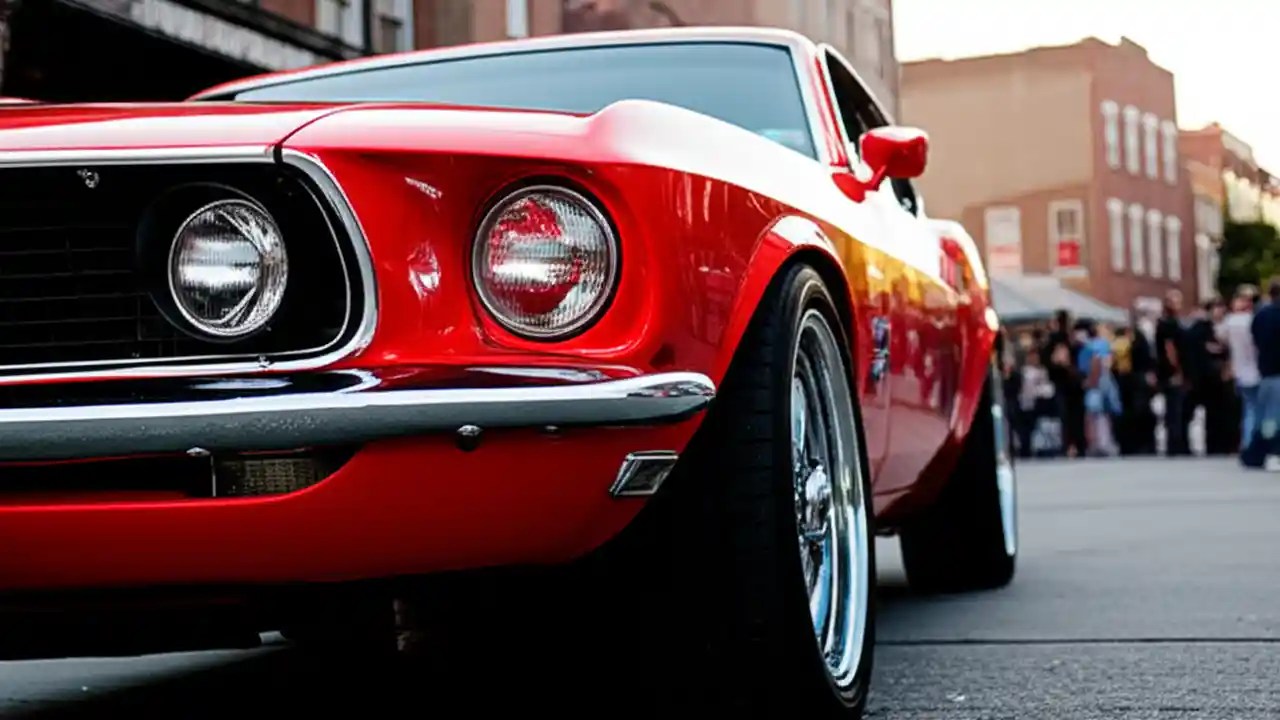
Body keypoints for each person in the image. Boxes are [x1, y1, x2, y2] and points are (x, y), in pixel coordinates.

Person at [1223, 287, 1260, 457]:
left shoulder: (1230, 321)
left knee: (1248, 409)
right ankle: (1254, 443)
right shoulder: (1253, 320)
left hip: (1239, 370)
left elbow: (1221, 338)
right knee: (1258, 409)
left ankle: (1246, 443)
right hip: (1257, 370)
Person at [1249, 278, 1280, 470]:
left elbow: (1255, 340)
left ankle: (1258, 452)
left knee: (1266, 416)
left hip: (1266, 371)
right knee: (1275, 417)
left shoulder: (1260, 316)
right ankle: (1274, 452)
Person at [1078, 320, 1121, 456]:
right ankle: (1104, 442)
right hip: (1106, 381)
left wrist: (1091, 380)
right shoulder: (1105, 345)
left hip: (1096, 382)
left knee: (1093, 413)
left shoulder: (1092, 347)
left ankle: (1097, 444)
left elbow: (1096, 363)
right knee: (1104, 413)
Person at [1155, 291, 1190, 455]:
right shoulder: (1168, 324)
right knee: (1175, 408)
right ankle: (1176, 444)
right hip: (1171, 372)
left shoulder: (1166, 323)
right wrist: (1177, 369)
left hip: (1168, 371)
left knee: (1174, 408)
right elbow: (1170, 349)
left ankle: (1176, 442)